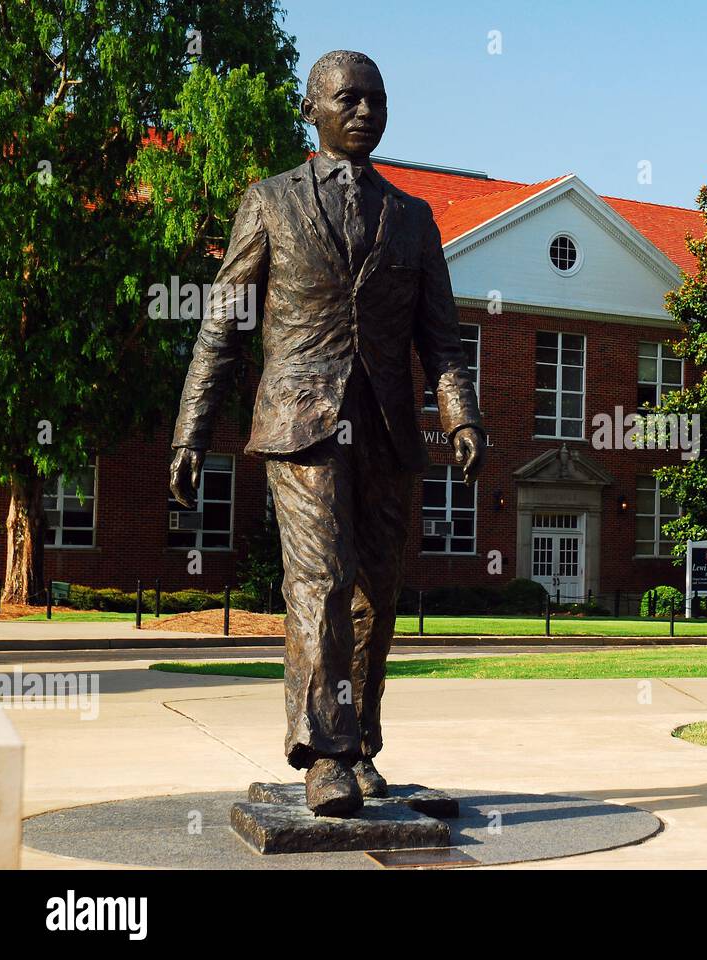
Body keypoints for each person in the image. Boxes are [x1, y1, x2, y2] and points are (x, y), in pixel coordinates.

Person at [169, 50, 484, 816]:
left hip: (385, 428)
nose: (366, 112)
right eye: (349, 99)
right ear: (311, 109)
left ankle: (361, 740)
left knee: (378, 591)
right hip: (299, 424)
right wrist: (192, 431)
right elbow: (222, 328)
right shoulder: (270, 202)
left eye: (378, 99)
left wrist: (462, 415)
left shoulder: (414, 217)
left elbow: (440, 339)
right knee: (322, 579)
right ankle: (324, 753)